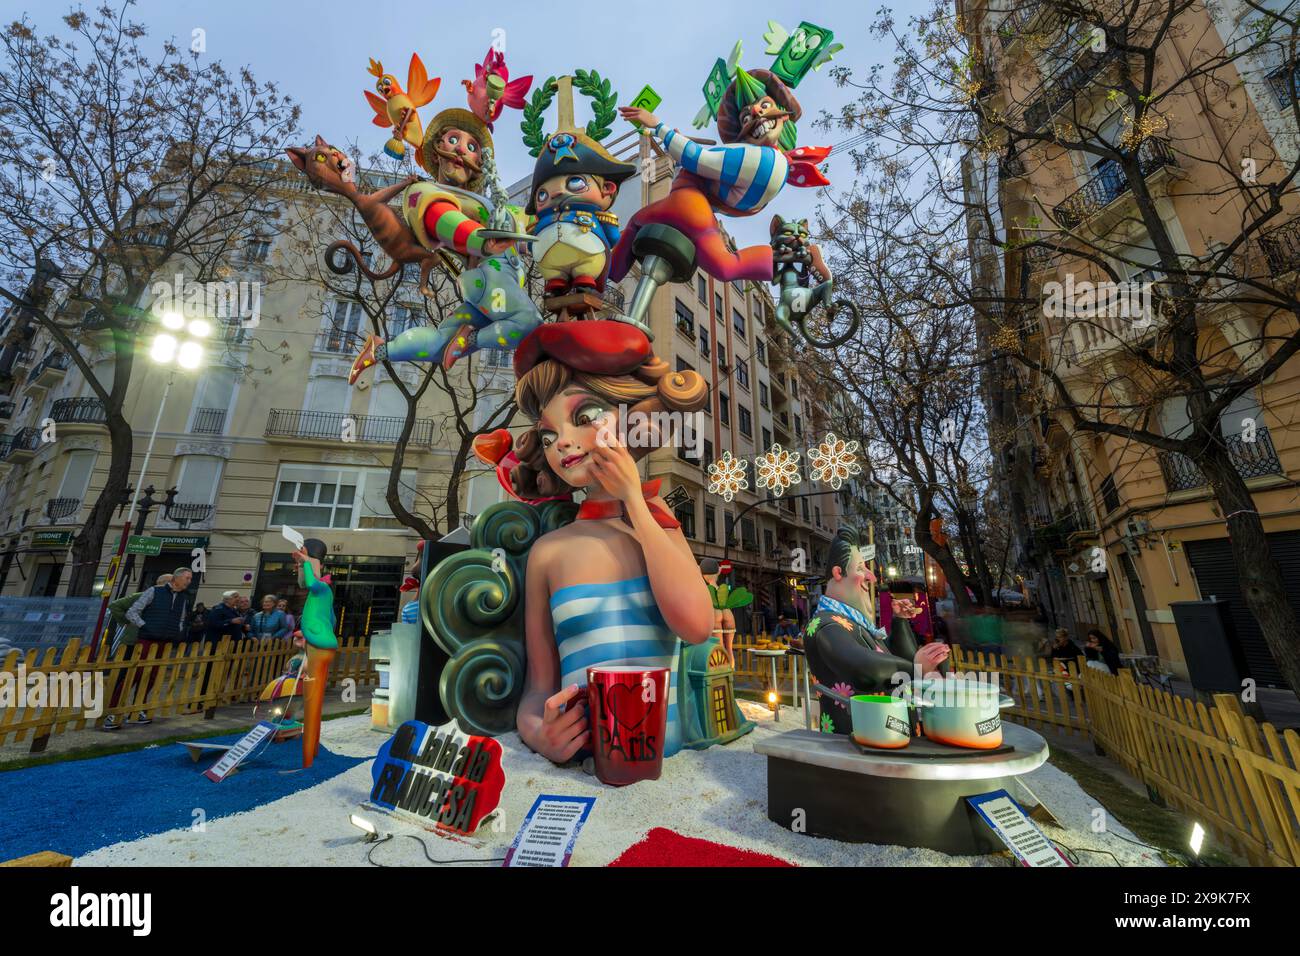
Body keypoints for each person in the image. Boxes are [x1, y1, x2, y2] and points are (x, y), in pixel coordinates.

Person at [492, 321, 713, 765]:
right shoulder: (548, 553)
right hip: (584, 775)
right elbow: (538, 689)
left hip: (666, 778)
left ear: (634, 417)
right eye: (550, 435)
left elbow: (696, 625)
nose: (564, 444)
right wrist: (538, 733)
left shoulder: (660, 528)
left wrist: (633, 498)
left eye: (585, 416)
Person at [803, 528, 949, 736]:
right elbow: (864, 669)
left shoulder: (855, 624)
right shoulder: (825, 626)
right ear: (838, 573)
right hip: (858, 739)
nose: (871, 577)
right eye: (861, 568)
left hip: (889, 734)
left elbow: (896, 656)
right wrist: (917, 670)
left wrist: (900, 623)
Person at [104, 568, 194, 729]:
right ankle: (113, 712)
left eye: (190, 578)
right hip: (146, 640)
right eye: (187, 578)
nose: (189, 581)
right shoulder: (153, 591)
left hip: (165, 642)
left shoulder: (184, 598)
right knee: (133, 674)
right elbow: (133, 612)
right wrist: (145, 626)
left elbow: (181, 618)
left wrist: (177, 632)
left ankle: (139, 709)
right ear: (176, 578)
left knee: (152, 676)